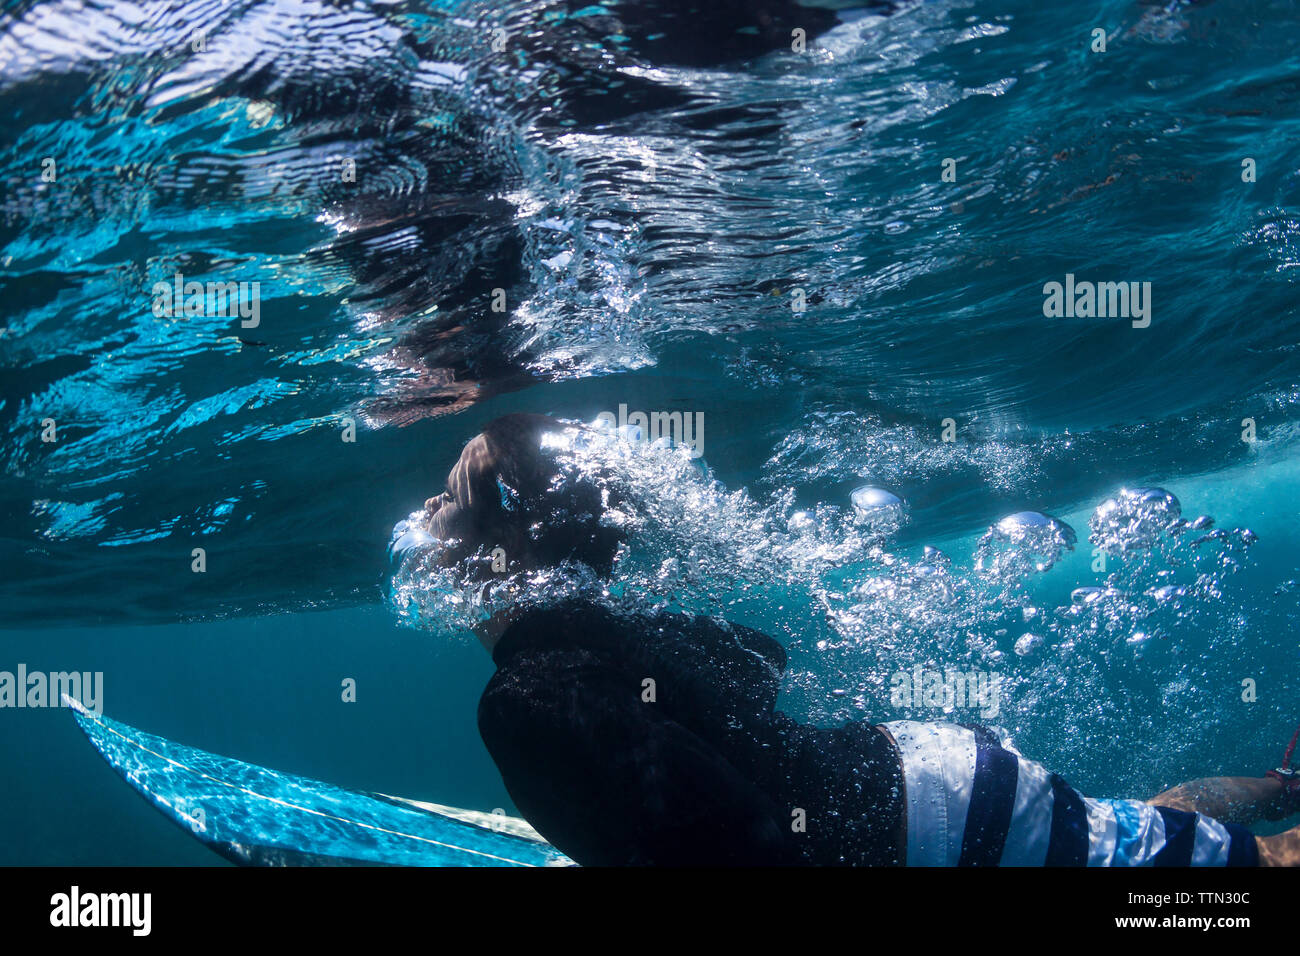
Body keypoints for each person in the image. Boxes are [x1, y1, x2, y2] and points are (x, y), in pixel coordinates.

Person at [405, 413, 1300, 866]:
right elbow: (757, 661)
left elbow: (750, 849)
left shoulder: (531, 697)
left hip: (948, 831)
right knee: (1134, 830)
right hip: (927, 781)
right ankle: (1279, 784)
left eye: (447, 498)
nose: (423, 517)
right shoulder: (589, 639)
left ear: (507, 542)